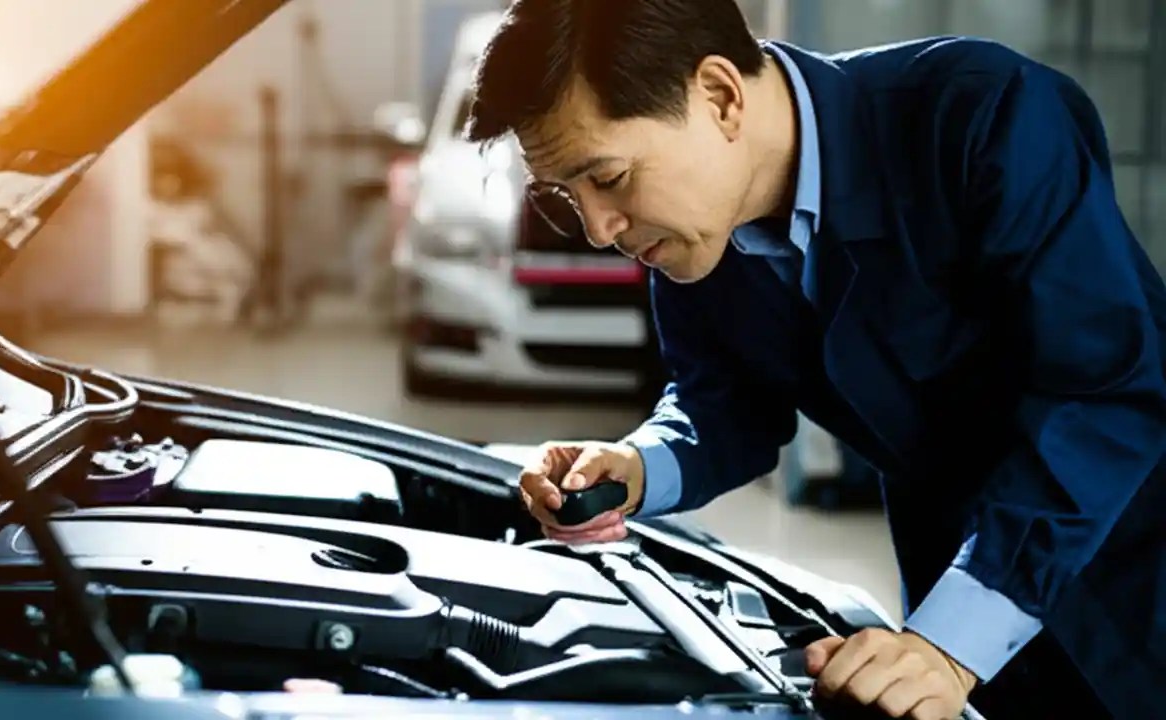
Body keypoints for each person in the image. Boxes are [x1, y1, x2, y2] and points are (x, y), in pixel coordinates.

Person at [463, 2, 1166, 719]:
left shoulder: (979, 116)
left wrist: (954, 641)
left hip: (1128, 563)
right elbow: (725, 402)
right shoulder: (698, 232)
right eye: (564, 197)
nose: (598, 230)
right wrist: (637, 466)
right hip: (950, 605)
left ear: (719, 96)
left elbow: (1105, 393)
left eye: (607, 178)